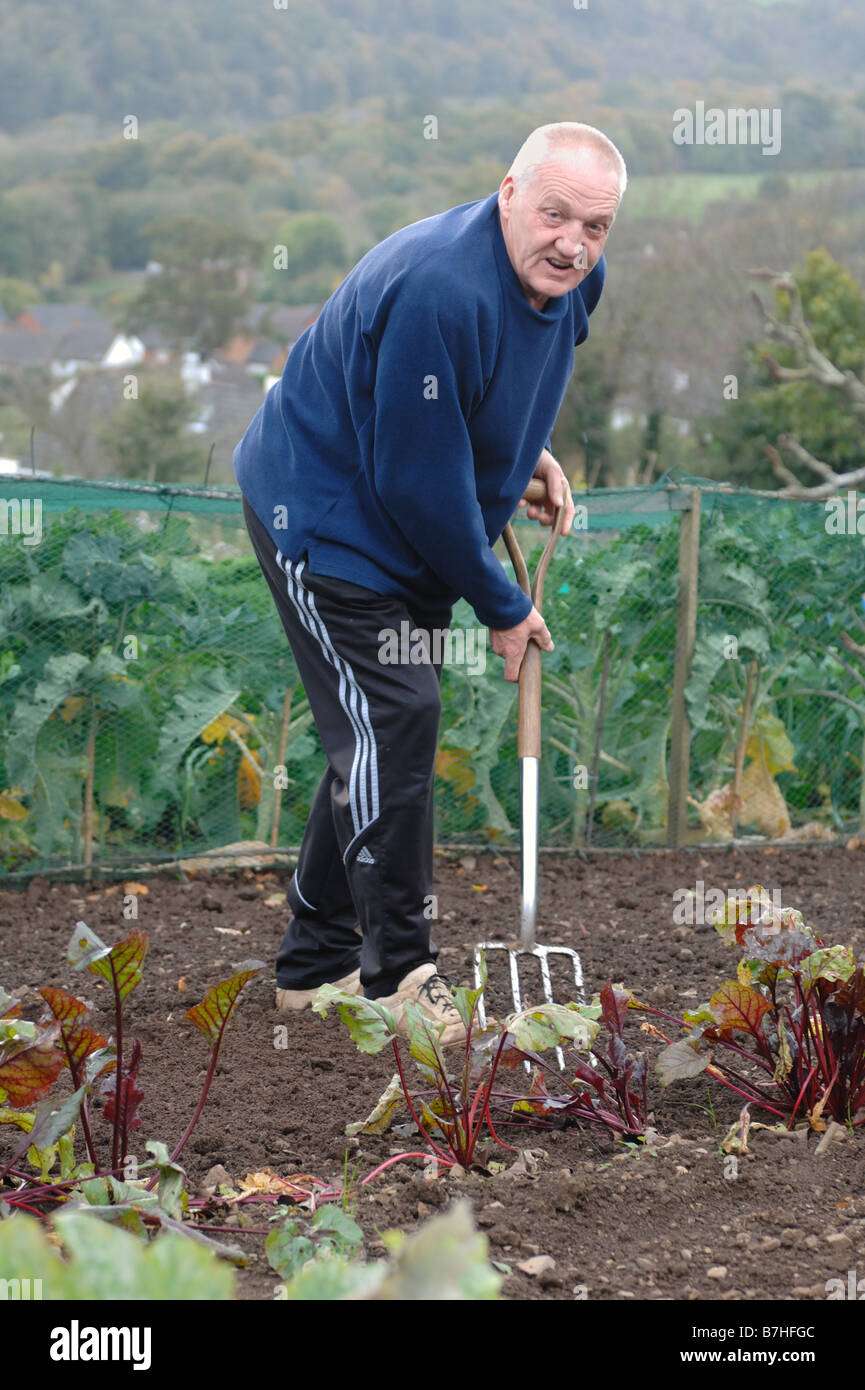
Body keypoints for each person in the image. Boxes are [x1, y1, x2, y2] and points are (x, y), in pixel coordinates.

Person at [234, 121, 626, 1046]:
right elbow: (416, 476)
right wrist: (502, 602)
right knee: (396, 718)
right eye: (555, 214)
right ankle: (398, 974)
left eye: (597, 226)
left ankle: (309, 966)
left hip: (407, 522)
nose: (573, 242)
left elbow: (490, 390)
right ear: (508, 193)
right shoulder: (438, 287)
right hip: (325, 520)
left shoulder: (572, 283)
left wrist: (522, 457)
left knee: (380, 732)